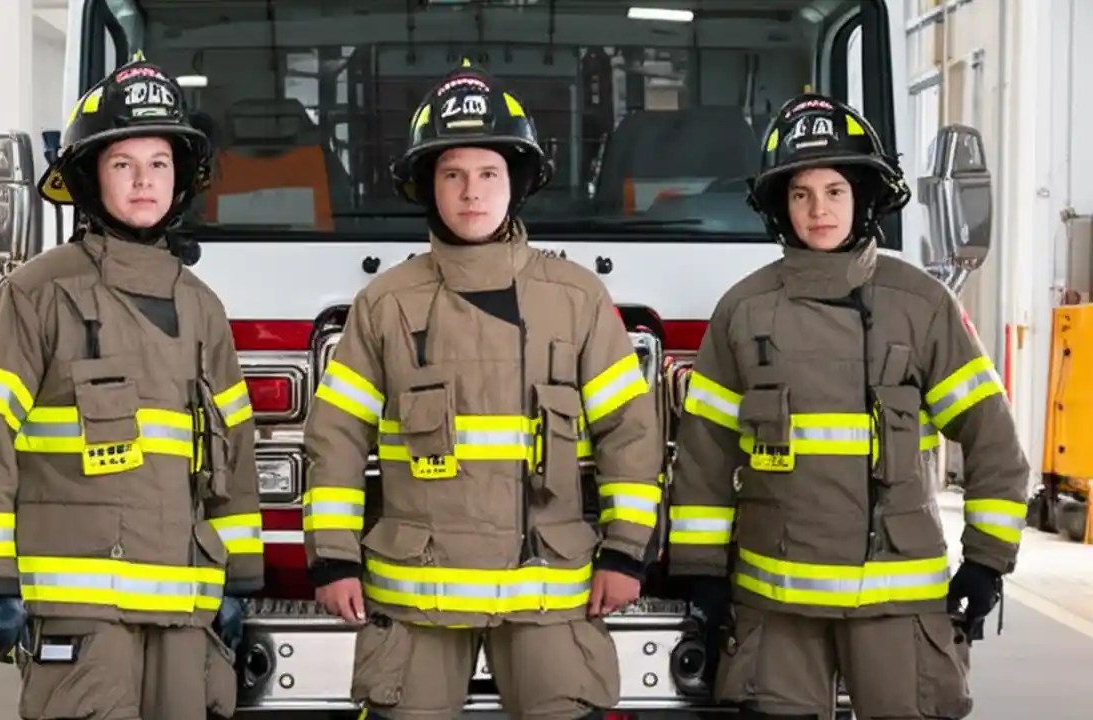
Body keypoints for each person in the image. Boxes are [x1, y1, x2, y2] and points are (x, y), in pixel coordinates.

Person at [300, 61, 664, 720]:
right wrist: (332, 559)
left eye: (489, 173)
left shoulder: (577, 298)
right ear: (427, 187)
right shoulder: (384, 304)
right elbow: (337, 440)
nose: (472, 192)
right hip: (418, 593)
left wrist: (626, 552)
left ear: (517, 184)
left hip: (551, 589)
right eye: (453, 175)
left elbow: (630, 435)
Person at [665, 93, 1029, 719]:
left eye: (834, 190)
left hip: (898, 598)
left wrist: (987, 561)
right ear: (780, 205)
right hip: (775, 604)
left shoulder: (920, 304)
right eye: (801, 193)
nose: (818, 209)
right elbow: (704, 454)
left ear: (863, 196)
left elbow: (992, 437)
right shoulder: (743, 310)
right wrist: (701, 574)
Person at [0, 56, 262, 719]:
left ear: (181, 181)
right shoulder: (35, 295)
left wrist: (240, 579)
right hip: (82, 615)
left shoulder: (203, 307)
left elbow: (232, 454)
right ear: (90, 177)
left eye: (159, 163)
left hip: (185, 610)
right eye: (124, 163)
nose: (144, 180)